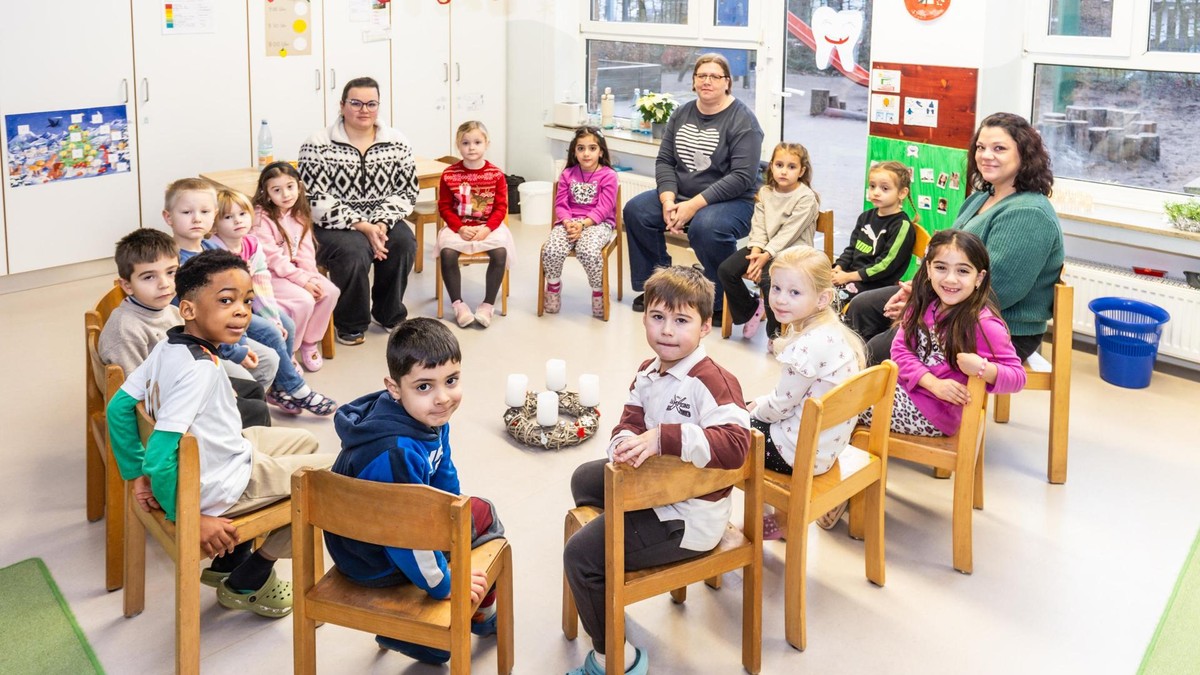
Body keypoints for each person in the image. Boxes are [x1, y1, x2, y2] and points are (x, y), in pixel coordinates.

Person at [106, 250, 336, 618]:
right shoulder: (198, 370)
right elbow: (160, 454)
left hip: (227, 454)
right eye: (226, 301)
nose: (242, 311)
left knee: (305, 443)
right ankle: (250, 577)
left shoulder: (170, 344)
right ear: (190, 310)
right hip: (223, 482)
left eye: (246, 301)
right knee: (337, 477)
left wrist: (136, 476)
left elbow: (117, 407)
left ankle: (232, 555)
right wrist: (188, 517)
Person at [563, 265, 751, 675]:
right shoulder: (650, 368)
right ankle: (608, 585)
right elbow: (629, 419)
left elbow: (738, 446)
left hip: (690, 519)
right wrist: (621, 444)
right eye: (657, 316)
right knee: (584, 478)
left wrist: (663, 437)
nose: (667, 330)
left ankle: (615, 657)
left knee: (580, 556)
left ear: (704, 327)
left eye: (682, 320)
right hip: (659, 489)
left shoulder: (714, 381)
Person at [326, 318, 504, 665]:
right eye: (424, 386)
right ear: (394, 387)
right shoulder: (395, 451)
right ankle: (450, 622)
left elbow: (443, 474)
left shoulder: (427, 417)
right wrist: (445, 585)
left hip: (384, 539)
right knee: (441, 647)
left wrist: (452, 516)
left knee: (475, 511)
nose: (442, 398)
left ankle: (470, 615)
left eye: (451, 381)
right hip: (372, 559)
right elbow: (406, 536)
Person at [845, 113, 1063, 365]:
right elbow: (944, 256)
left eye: (999, 148)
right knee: (863, 306)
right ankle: (877, 391)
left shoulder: (1028, 214)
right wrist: (915, 293)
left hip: (997, 327)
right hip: (951, 300)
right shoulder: (981, 197)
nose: (985, 155)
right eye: (981, 147)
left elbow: (996, 292)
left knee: (882, 347)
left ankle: (892, 393)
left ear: (1024, 154)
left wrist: (917, 307)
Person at [623, 53, 765, 322]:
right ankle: (659, 287)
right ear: (693, 81)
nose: (707, 81)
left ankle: (720, 297)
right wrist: (668, 201)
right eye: (701, 76)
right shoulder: (682, 112)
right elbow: (665, 160)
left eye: (715, 76)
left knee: (706, 227)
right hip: (681, 196)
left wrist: (692, 206)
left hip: (735, 201)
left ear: (727, 82)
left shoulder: (744, 121)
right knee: (637, 211)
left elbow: (741, 177)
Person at [98, 228, 270, 429]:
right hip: (172, 405)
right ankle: (238, 456)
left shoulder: (170, 311)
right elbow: (138, 397)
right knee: (256, 410)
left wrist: (220, 385)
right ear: (127, 286)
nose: (165, 284)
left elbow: (199, 349)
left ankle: (247, 446)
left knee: (255, 390)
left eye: (171, 272)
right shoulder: (126, 331)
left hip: (184, 383)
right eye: (149, 277)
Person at [860, 230, 1026, 439]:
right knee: (840, 389)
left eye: (963, 271)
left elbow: (1018, 377)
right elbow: (900, 350)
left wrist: (984, 368)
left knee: (843, 405)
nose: (950, 279)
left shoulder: (984, 325)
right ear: (928, 269)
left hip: (932, 416)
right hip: (903, 391)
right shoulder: (922, 304)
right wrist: (932, 383)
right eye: (940, 268)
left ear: (979, 277)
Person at [748, 246, 865, 536]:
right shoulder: (835, 333)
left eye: (794, 293)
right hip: (827, 446)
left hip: (797, 455)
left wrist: (750, 409)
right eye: (776, 288)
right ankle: (783, 522)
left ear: (823, 298)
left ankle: (730, 529)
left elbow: (778, 408)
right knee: (753, 411)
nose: (780, 299)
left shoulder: (805, 348)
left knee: (726, 432)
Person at [298, 76, 418, 346]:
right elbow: (312, 198)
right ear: (342, 106)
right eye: (356, 103)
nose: (364, 110)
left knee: (403, 242)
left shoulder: (397, 141)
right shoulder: (317, 143)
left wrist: (381, 223)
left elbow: (407, 191)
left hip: (382, 218)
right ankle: (350, 322)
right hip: (333, 224)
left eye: (371, 103)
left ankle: (389, 314)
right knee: (353, 251)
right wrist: (360, 224)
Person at [213, 188, 336, 417]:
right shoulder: (215, 249)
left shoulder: (250, 243)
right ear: (215, 224)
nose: (237, 221)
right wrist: (267, 322)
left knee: (285, 325)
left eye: (242, 214)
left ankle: (279, 387)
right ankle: (297, 388)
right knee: (271, 333)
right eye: (227, 217)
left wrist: (272, 317)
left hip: (248, 304)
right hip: (228, 312)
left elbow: (261, 282)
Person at [162, 177, 280, 400]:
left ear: (214, 214)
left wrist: (241, 344)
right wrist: (236, 352)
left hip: (227, 334)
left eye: (205, 212)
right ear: (168, 217)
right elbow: (203, 320)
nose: (197, 218)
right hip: (198, 343)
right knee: (248, 383)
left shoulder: (213, 248)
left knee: (270, 360)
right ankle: (235, 415)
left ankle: (245, 413)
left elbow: (235, 303)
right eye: (187, 213)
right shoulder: (170, 262)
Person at [716, 141, 820, 342]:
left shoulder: (806, 198)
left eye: (791, 167)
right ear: (771, 166)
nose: (784, 171)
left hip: (793, 252)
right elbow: (759, 225)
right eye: (779, 165)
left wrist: (765, 256)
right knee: (726, 270)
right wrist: (756, 251)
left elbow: (789, 233)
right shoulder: (765, 192)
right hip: (764, 247)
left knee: (768, 280)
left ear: (802, 171)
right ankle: (750, 309)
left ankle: (775, 334)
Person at [252, 162, 340, 374]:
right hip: (269, 275)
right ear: (265, 192)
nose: (285, 194)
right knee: (304, 300)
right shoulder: (261, 218)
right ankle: (290, 349)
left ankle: (310, 342)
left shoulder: (298, 213)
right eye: (277, 190)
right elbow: (273, 259)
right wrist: (303, 282)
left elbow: (306, 251)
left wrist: (311, 277)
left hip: (294, 272)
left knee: (329, 291)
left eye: (290, 187)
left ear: (299, 186)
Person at [436, 120, 515, 329]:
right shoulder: (449, 175)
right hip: (458, 227)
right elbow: (444, 207)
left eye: (477, 142)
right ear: (457, 145)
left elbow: (500, 208)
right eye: (465, 143)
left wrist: (487, 228)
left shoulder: (497, 175)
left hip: (488, 226)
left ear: (487, 144)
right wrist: (460, 228)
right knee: (447, 253)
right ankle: (458, 304)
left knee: (500, 253)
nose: (471, 147)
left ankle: (487, 304)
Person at [542, 126, 619, 318]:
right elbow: (560, 204)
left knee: (588, 250)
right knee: (552, 249)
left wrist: (583, 224)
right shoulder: (568, 174)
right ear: (574, 152)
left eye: (592, 148)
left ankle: (598, 290)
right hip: (569, 223)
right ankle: (553, 286)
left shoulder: (609, 175)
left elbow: (605, 207)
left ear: (601, 151)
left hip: (598, 224)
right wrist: (568, 222)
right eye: (581, 148)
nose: (586, 153)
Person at [830, 160, 918, 311]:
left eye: (884, 188)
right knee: (813, 288)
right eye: (872, 186)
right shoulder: (865, 216)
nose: (876, 192)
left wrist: (848, 277)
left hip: (876, 284)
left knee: (829, 300)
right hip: (852, 276)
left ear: (902, 193)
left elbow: (885, 266)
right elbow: (852, 249)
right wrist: (838, 268)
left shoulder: (902, 226)